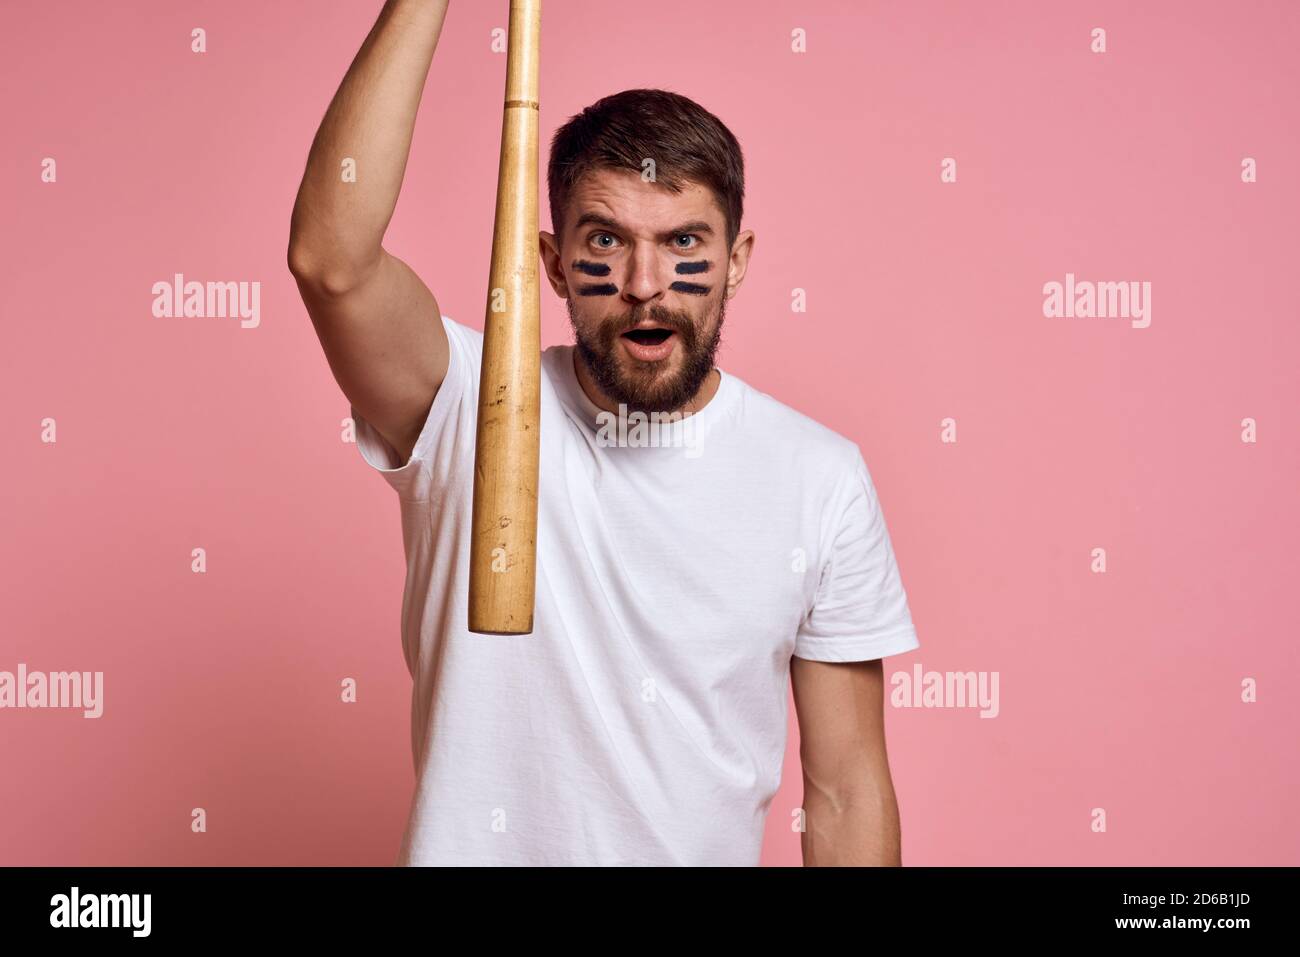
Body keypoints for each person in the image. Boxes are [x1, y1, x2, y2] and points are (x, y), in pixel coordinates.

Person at [288, 0, 921, 866]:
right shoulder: (464, 402)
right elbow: (333, 262)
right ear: (551, 263)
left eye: (684, 242)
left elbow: (847, 793)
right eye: (605, 241)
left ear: (736, 261)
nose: (643, 282)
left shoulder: (820, 477)